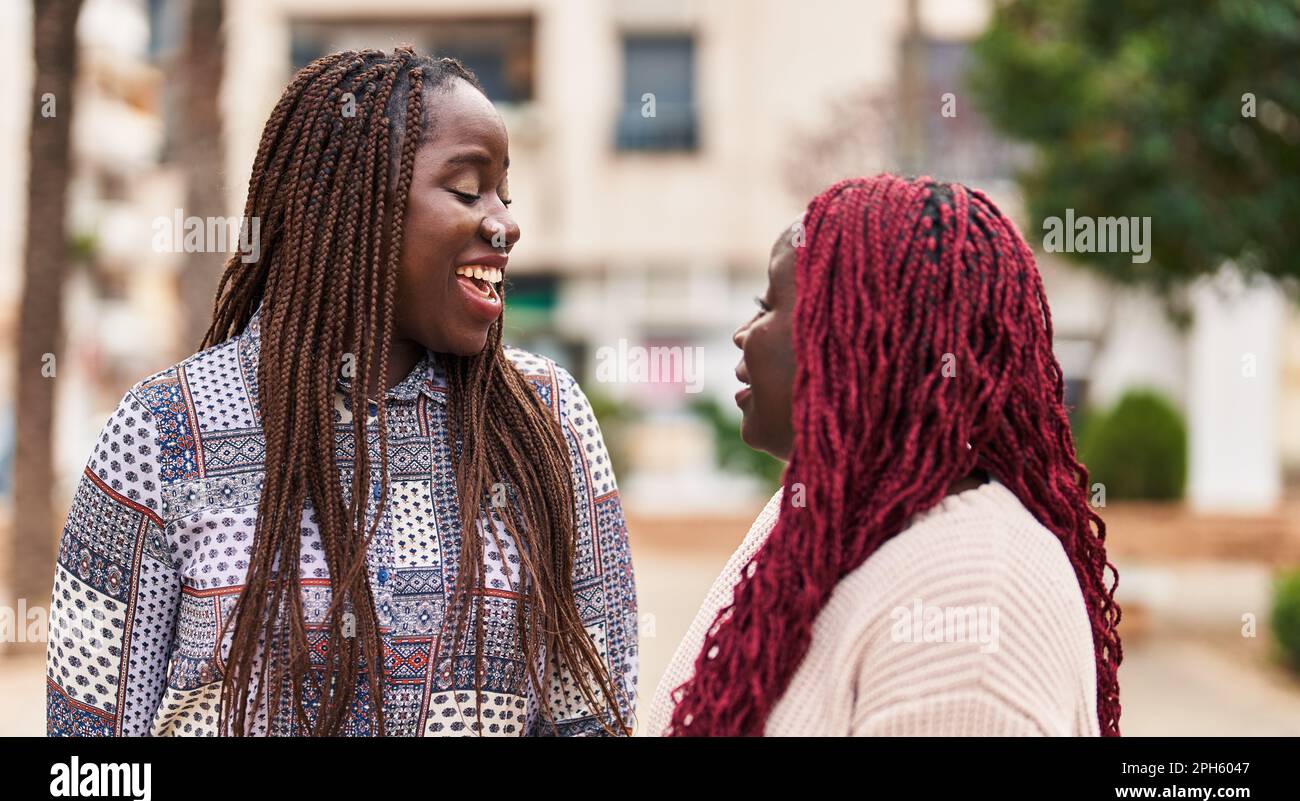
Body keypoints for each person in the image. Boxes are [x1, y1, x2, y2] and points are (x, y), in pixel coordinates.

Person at [45, 47, 637, 737]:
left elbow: (595, 720)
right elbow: (85, 752)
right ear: (355, 206)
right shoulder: (164, 430)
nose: (504, 222)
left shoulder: (544, 419)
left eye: (505, 192)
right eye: (468, 189)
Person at [647, 174, 1122, 736]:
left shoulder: (972, 603)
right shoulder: (818, 515)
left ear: (871, 337)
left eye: (770, 304)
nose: (743, 333)